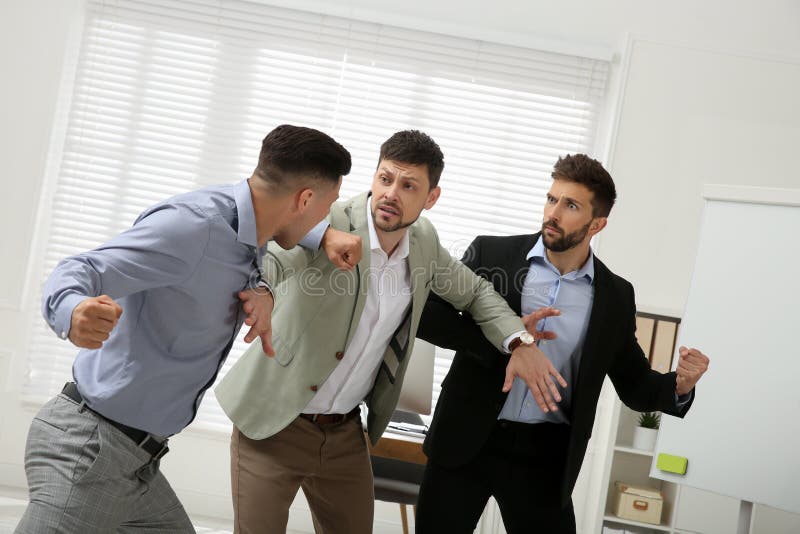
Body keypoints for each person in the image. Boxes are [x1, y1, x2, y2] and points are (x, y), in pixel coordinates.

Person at [215, 130, 564, 534]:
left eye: (408, 185)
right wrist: (263, 290)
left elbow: (475, 293)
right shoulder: (331, 219)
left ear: (431, 197)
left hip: (344, 434)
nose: (391, 194)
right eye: (385, 178)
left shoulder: (424, 242)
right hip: (274, 423)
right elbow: (277, 256)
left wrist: (519, 341)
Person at [16, 124, 360, 533]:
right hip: (92, 449)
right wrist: (71, 310)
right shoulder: (194, 227)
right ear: (304, 199)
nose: (326, 217)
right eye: (327, 207)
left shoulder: (252, 225)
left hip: (136, 461)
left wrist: (323, 237)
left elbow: (278, 240)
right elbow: (83, 268)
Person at [414, 154, 710, 534]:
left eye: (570, 205)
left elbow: (634, 383)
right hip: (465, 438)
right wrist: (508, 336)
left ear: (597, 223)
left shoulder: (615, 296)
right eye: (551, 199)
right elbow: (427, 316)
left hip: (545, 457)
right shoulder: (492, 254)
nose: (553, 213)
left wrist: (679, 386)